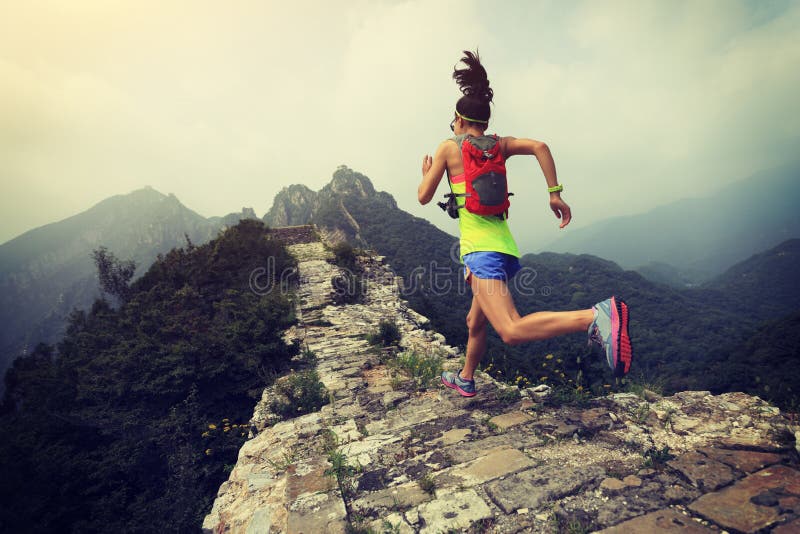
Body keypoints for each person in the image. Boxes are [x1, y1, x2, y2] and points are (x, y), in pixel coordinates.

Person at [418, 50, 632, 397]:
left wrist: (427, 173)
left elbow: (423, 197)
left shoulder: (448, 148)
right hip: (504, 250)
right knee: (475, 321)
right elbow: (540, 146)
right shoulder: (499, 145)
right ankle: (466, 377)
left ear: (458, 120)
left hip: (480, 254)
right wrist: (554, 195)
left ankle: (595, 317)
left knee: (510, 329)